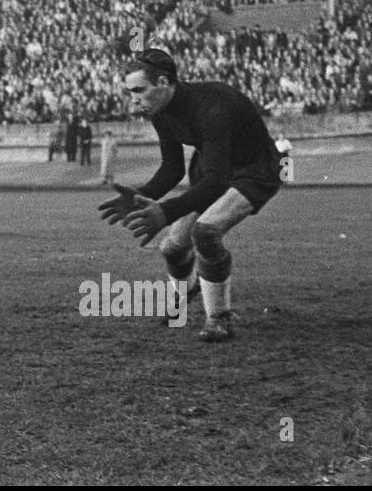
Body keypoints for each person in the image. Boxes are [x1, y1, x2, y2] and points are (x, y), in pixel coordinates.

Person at [98, 48, 282, 343]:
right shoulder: (160, 111)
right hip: (211, 169)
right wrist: (142, 195)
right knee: (171, 249)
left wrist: (164, 211)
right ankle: (189, 290)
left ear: (162, 82)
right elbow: (172, 169)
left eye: (138, 90)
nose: (132, 98)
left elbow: (217, 181)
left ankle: (219, 317)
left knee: (206, 232)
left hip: (254, 170)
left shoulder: (212, 107)